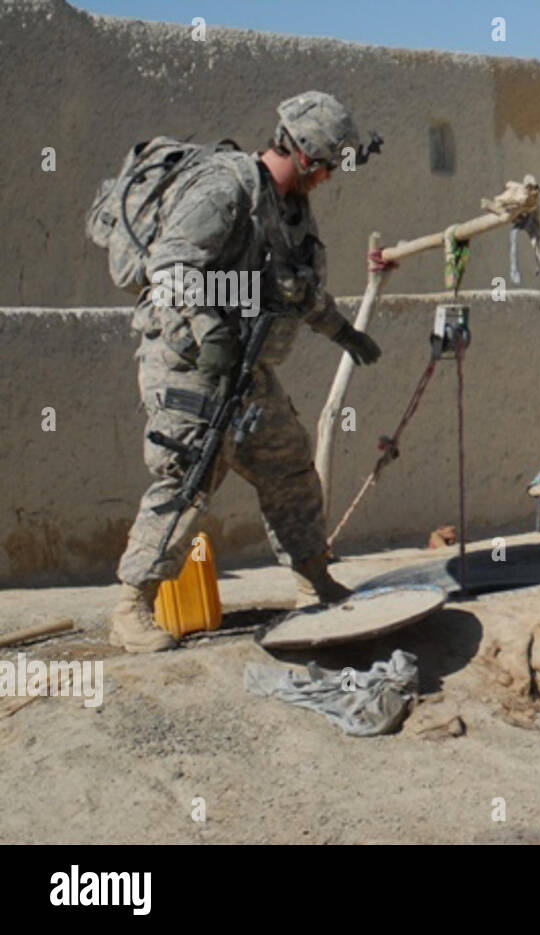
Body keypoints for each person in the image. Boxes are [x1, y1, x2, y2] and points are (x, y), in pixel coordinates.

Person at [109, 91, 383, 653]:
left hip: (246, 367)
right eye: (329, 164)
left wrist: (342, 331)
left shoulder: (289, 210)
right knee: (189, 477)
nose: (331, 176)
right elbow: (171, 264)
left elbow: (295, 289)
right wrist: (209, 331)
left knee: (289, 465)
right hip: (187, 360)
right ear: (306, 153)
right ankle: (131, 606)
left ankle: (314, 577)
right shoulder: (225, 188)